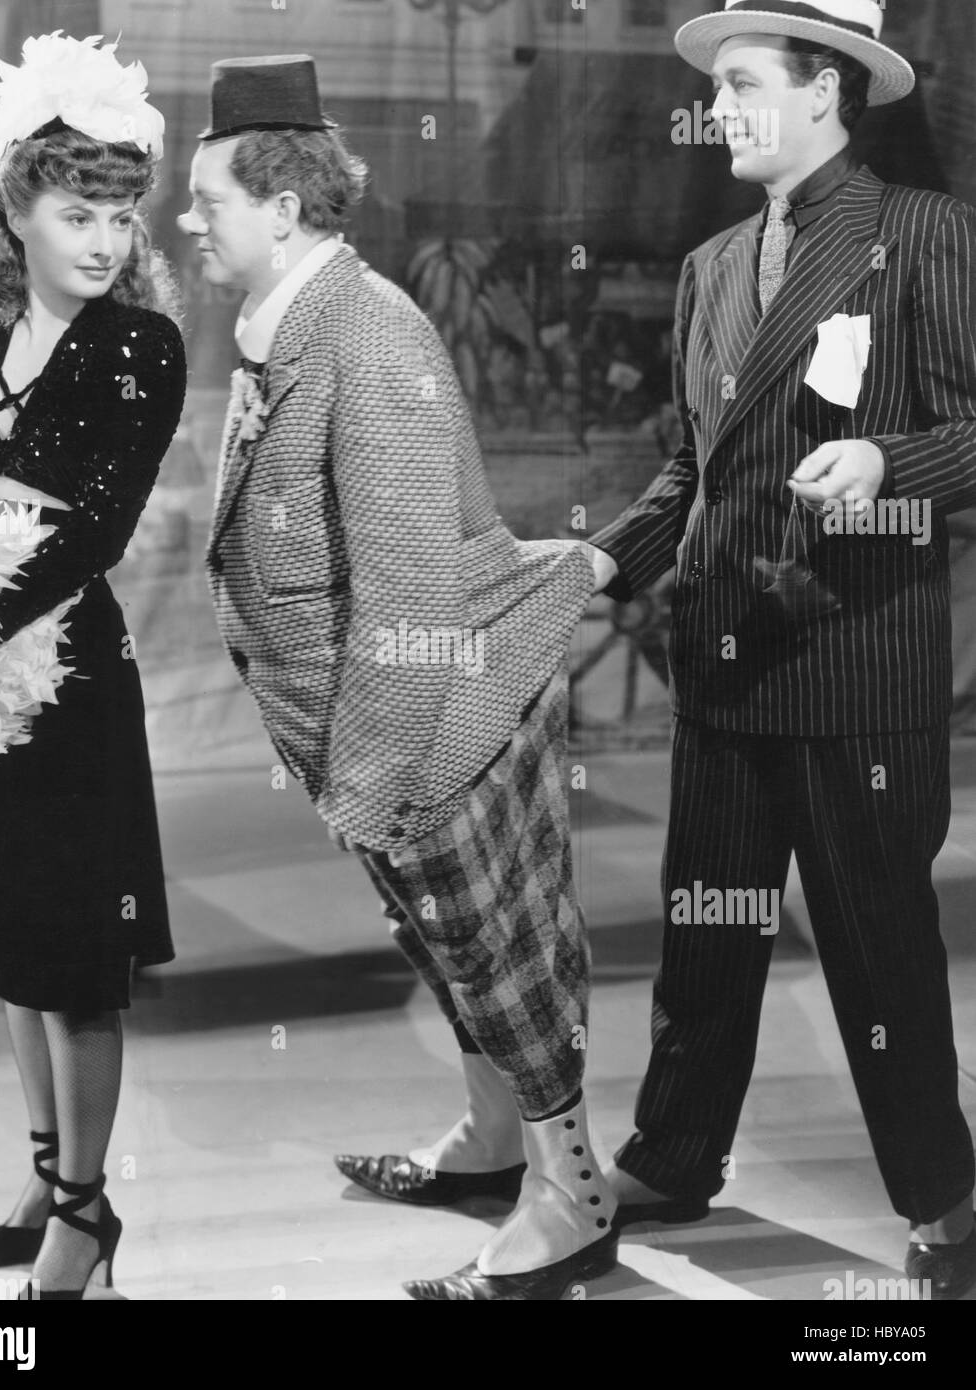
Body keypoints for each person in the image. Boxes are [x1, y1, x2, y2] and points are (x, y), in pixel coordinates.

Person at [180, 54, 618, 1301]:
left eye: (206, 197)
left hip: (442, 718)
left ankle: (570, 1200)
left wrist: (371, 784)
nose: (187, 220)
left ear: (280, 202)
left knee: (506, 959)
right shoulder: (293, 324)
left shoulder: (369, 336)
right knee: (449, 949)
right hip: (380, 732)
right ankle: (492, 1148)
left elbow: (414, 602)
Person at [584, 0, 976, 1298]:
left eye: (749, 83)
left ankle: (947, 1195)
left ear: (828, 91)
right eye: (722, 88)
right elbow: (687, 470)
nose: (725, 108)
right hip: (725, 665)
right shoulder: (707, 269)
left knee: (878, 950)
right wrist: (599, 562)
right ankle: (677, 1151)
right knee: (709, 927)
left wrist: (890, 458)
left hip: (856, 666)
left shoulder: (921, 235)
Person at [0, 32, 187, 1299]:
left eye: (122, 215)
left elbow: (94, 533)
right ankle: (42, 1169)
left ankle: (88, 1218)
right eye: (79, 212)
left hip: (63, 687)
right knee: (18, 951)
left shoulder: (142, 350)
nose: (107, 241)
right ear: (14, 207)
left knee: (77, 964)